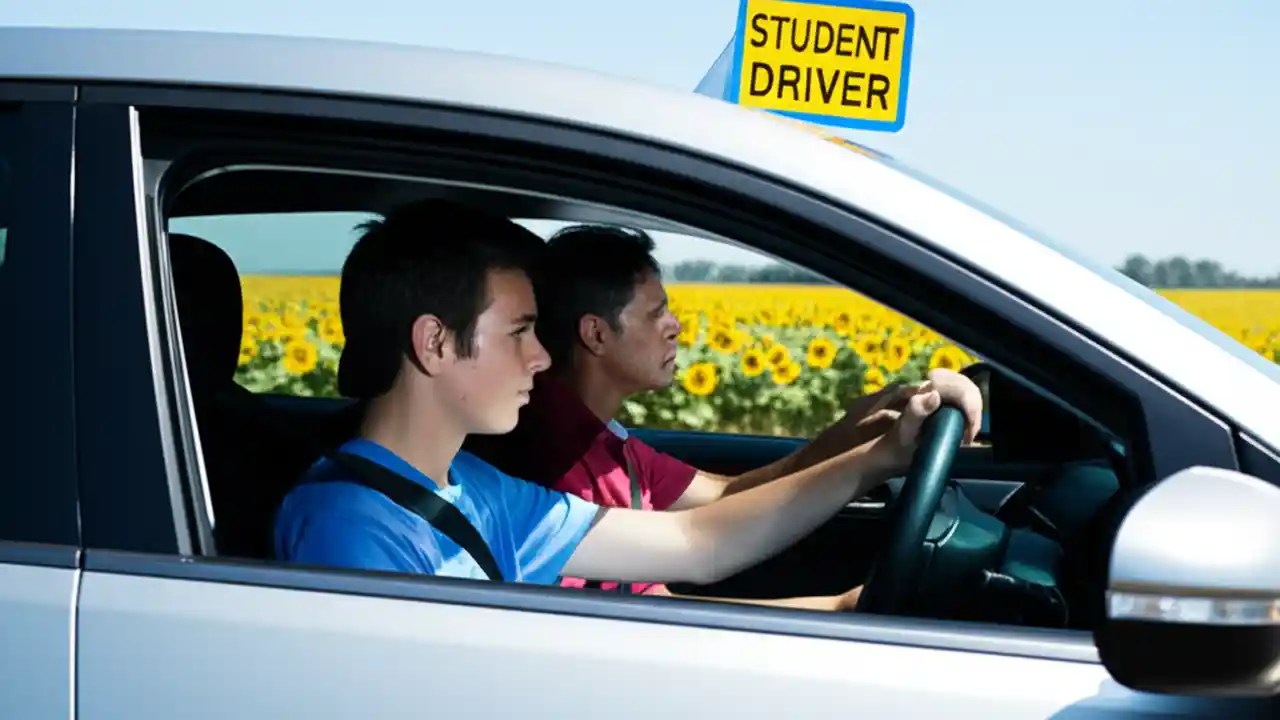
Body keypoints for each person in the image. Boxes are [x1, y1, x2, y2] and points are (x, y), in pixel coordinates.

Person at [274, 199, 970, 593]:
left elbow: (695, 542)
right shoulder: (350, 529)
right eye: (518, 332)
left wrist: (875, 456)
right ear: (434, 343)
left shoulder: (475, 490)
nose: (542, 356)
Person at [465, 224, 982, 608]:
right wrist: (873, 461)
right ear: (596, 334)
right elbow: (689, 559)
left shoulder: (601, 442)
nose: (676, 327)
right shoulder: (547, 459)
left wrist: (859, 431)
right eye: (655, 313)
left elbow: (724, 497)